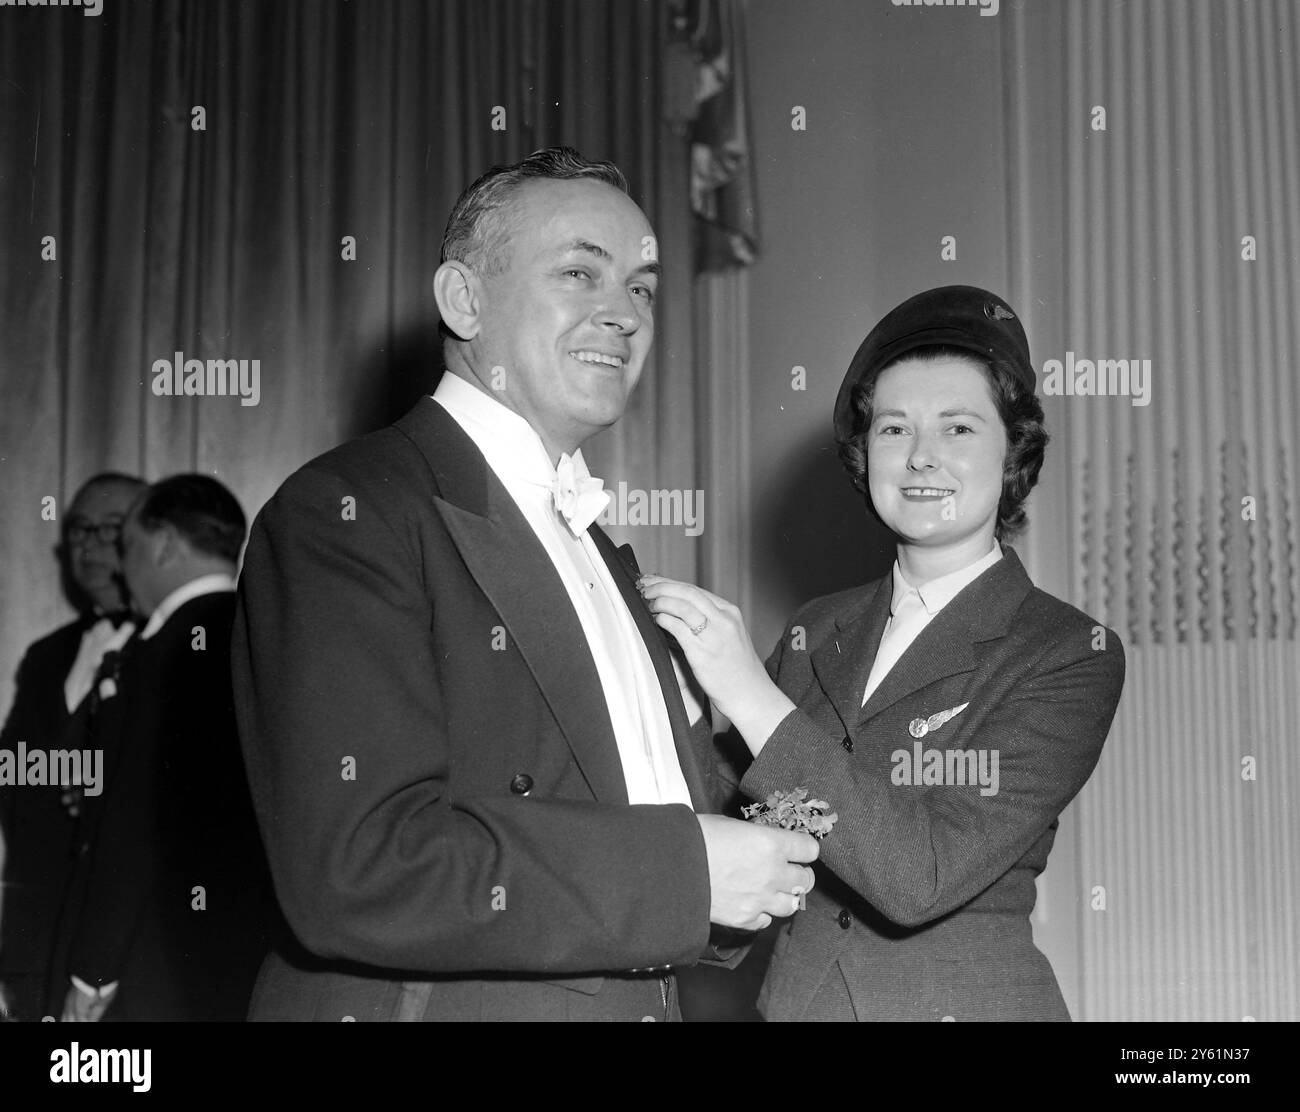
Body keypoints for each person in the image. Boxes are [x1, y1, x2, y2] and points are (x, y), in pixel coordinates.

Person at [231, 146, 818, 1022]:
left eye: (643, 289)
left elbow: (642, 832)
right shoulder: (347, 511)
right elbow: (358, 867)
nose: (622, 314)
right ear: (464, 300)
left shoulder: (601, 550)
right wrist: (690, 870)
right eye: (580, 272)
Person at [641, 285, 1126, 1021]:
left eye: (959, 429)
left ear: (1013, 451)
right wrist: (674, 715)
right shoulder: (817, 629)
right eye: (894, 430)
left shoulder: (1064, 652)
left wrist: (747, 694)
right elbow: (737, 867)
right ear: (865, 457)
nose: (922, 457)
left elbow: (918, 876)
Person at [53, 474, 274, 1021]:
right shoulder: (266, 634)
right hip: (248, 956)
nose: (121, 570)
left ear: (165, 545)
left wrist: (92, 972)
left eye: (125, 548)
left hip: (156, 961)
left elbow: (131, 827)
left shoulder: (161, 652)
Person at [0, 471, 144, 1021]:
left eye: (109, 529)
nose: (88, 546)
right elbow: (10, 772)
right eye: (79, 530)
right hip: (35, 927)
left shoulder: (174, 649)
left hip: (116, 947)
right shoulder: (46, 654)